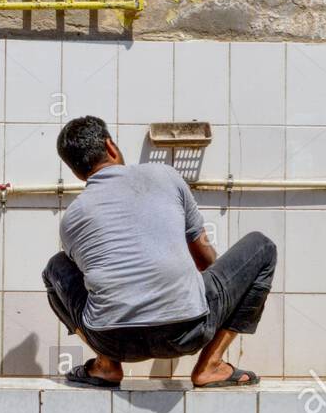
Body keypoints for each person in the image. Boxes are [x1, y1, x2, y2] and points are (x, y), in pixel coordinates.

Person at [42, 116, 277, 389]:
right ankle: (211, 363)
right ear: (111, 146)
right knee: (262, 246)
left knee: (55, 268)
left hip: (113, 341)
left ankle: (106, 366)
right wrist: (222, 297)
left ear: (76, 172)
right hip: (187, 333)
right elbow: (204, 258)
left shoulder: (71, 220)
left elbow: (97, 281)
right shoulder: (165, 176)